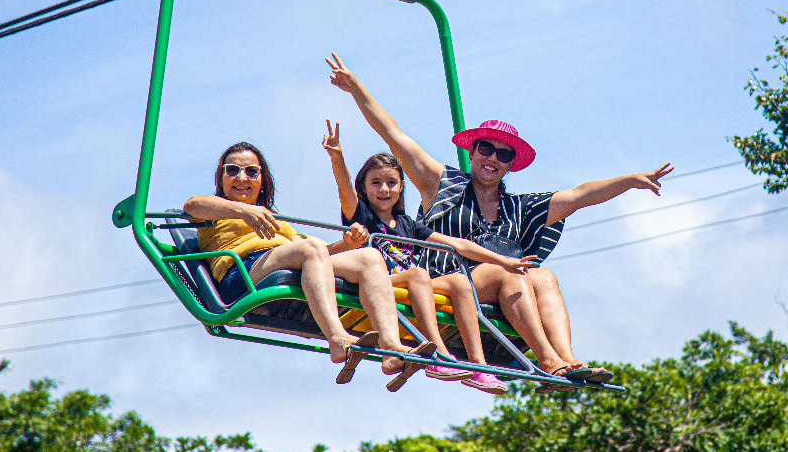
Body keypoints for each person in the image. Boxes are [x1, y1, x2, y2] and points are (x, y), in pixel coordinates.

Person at [326, 51, 673, 388]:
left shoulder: (519, 207)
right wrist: (356, 89)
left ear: (510, 163)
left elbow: (580, 194)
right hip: (448, 282)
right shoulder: (443, 184)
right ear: (473, 152)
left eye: (503, 154)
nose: (493, 158)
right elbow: (394, 135)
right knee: (509, 272)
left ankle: (566, 358)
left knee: (544, 275)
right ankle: (547, 359)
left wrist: (629, 181)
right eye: (486, 150)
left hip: (499, 290)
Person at [184, 141, 434, 390]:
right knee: (310, 248)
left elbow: (319, 257)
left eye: (251, 171)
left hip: (282, 259)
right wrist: (243, 211)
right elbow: (192, 205)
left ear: (262, 180)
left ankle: (390, 348)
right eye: (232, 170)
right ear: (222, 176)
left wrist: (347, 244)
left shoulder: (275, 220)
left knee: (369, 257)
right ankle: (337, 339)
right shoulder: (216, 211)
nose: (242, 177)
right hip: (242, 275)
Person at [323, 120, 535, 395]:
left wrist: (503, 262)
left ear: (401, 188)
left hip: (412, 284)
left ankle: (479, 366)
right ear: (363, 189)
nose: (384, 190)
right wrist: (337, 157)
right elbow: (345, 191)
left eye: (391, 183)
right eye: (375, 183)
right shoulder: (361, 215)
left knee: (459, 282)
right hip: (379, 285)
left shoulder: (408, 224)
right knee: (419, 273)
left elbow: (458, 245)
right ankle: (439, 356)